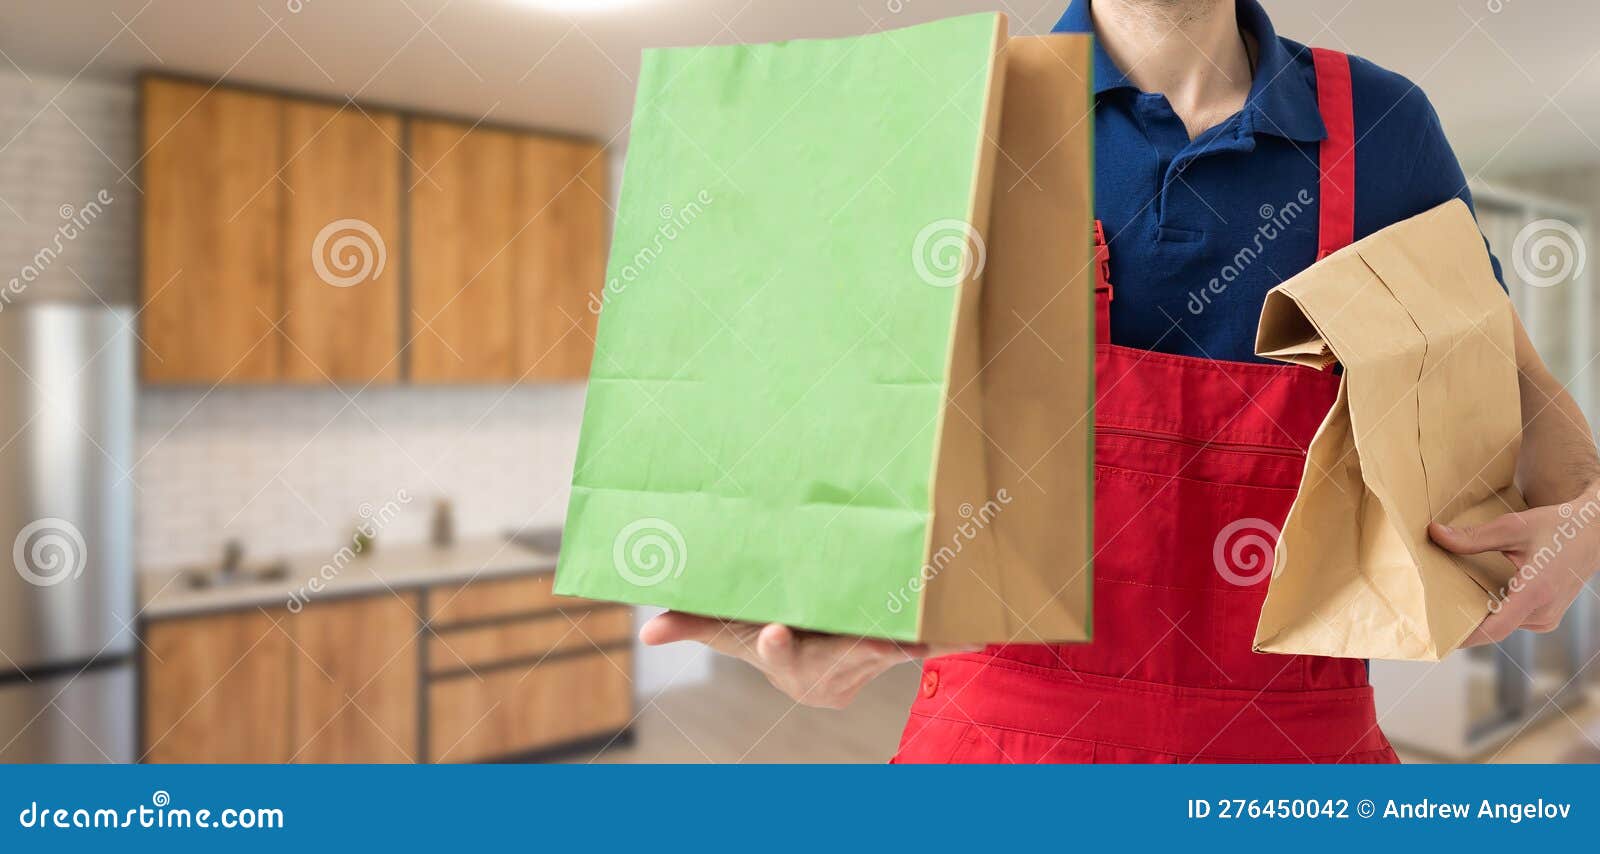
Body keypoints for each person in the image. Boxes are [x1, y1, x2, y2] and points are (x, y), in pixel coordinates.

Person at [640, 0, 1600, 762]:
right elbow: (835, 420)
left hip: (1292, 759)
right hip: (996, 752)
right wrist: (794, 596)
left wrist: (1587, 521)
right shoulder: (957, 109)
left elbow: (1517, 386)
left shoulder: (1383, 126)